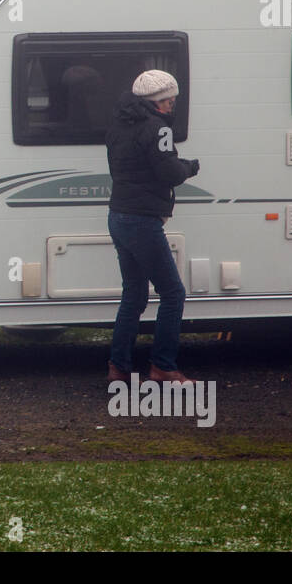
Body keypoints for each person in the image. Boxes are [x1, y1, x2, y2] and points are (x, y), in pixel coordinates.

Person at [105, 70, 200, 384]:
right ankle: (163, 366)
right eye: (171, 99)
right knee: (173, 293)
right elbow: (169, 172)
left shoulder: (119, 124)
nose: (173, 104)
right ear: (162, 101)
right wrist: (190, 166)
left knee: (133, 295)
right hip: (142, 220)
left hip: (118, 215)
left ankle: (118, 368)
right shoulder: (157, 128)